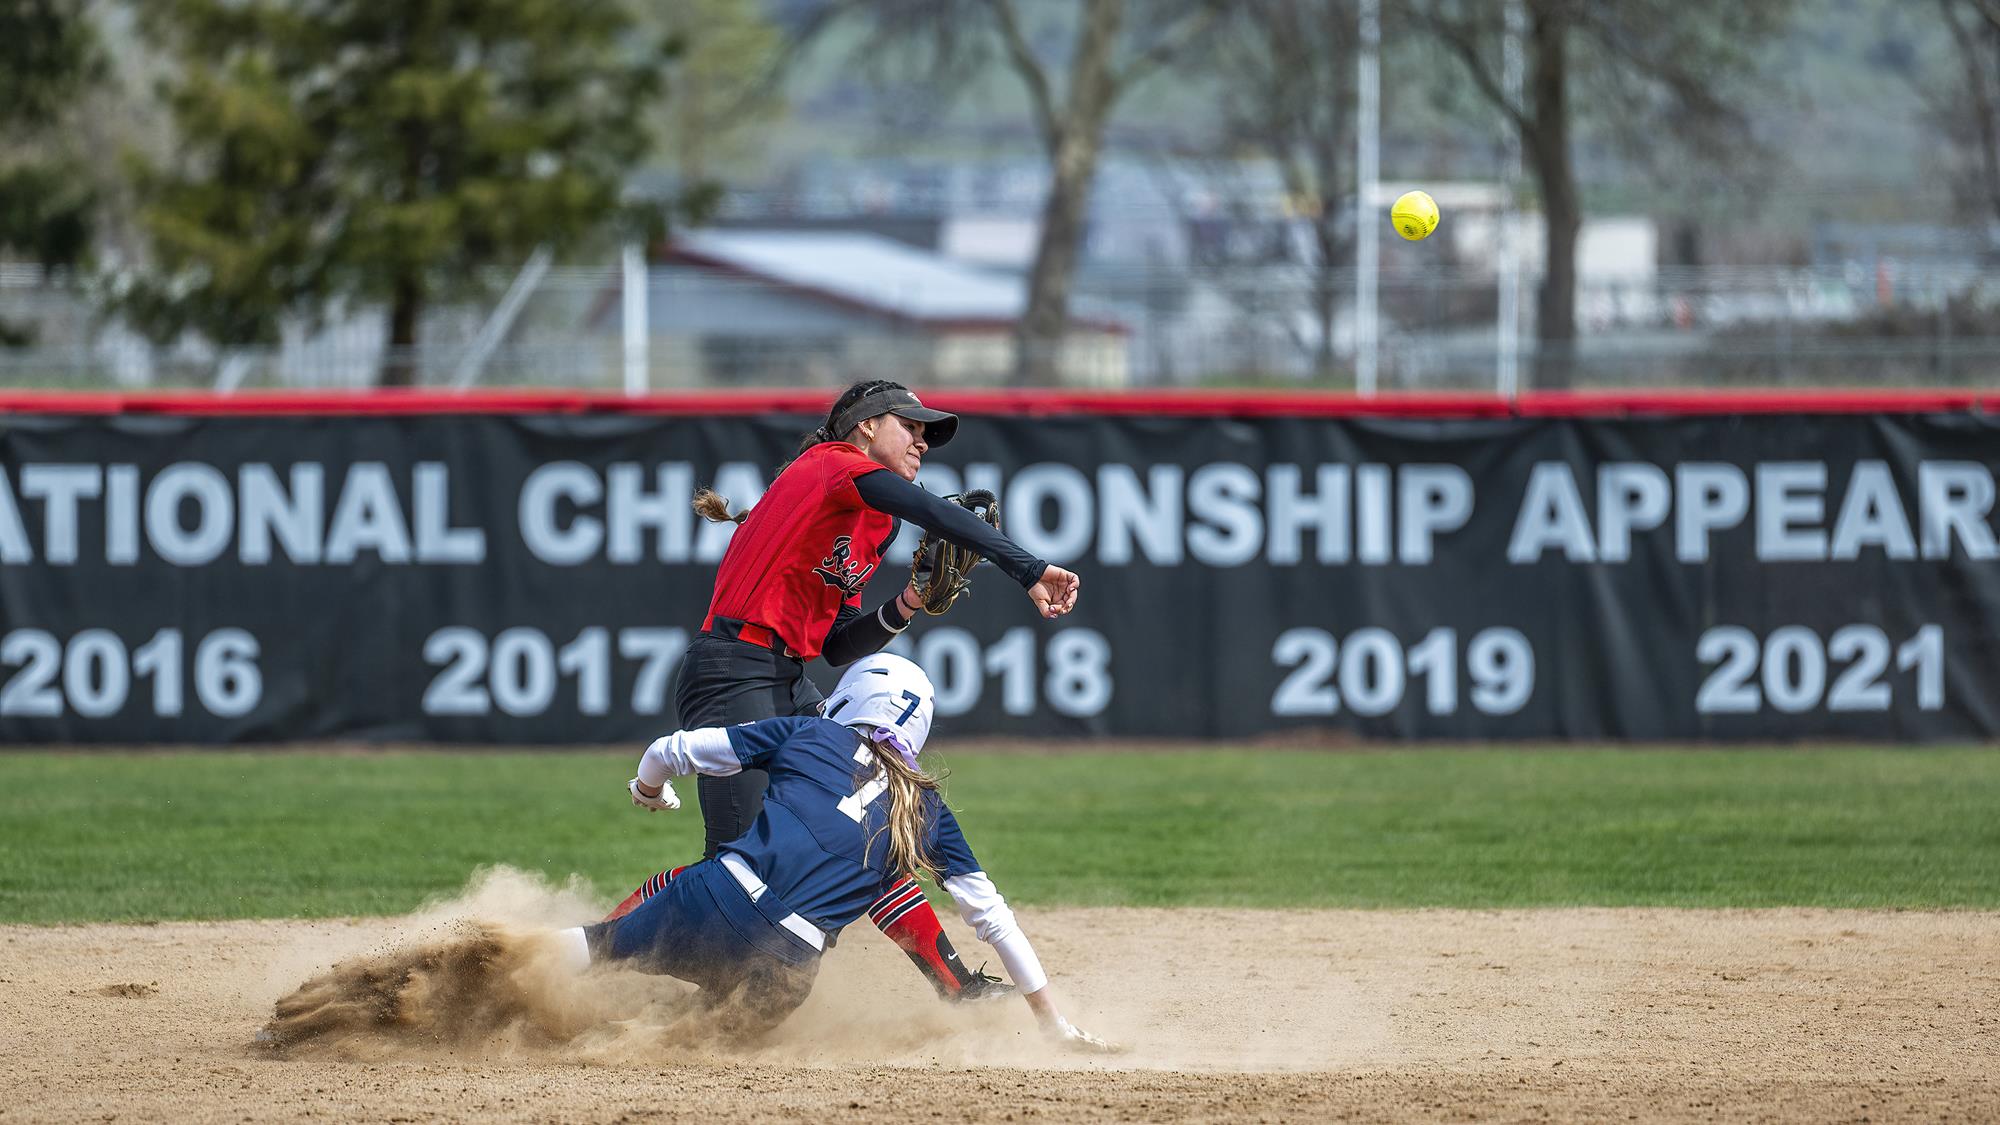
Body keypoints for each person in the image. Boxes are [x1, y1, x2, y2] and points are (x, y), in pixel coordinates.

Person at [603, 379, 1082, 1005]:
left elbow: (832, 647)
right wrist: (1027, 568)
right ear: (863, 427)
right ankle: (599, 956)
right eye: (909, 426)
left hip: (786, 675)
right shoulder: (831, 466)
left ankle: (954, 985)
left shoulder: (869, 521)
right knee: (739, 864)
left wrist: (907, 604)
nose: (921, 441)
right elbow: (938, 513)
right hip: (733, 667)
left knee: (864, 823)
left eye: (927, 434)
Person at [555, 654, 1115, 1050]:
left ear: (849, 699)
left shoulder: (812, 733)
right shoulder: (925, 809)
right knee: (685, 1040)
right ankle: (631, 1033)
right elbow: (995, 918)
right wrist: (1053, 1024)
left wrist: (648, 790)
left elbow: (669, 750)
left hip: (720, 900)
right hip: (787, 974)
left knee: (652, 914)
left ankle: (542, 962)